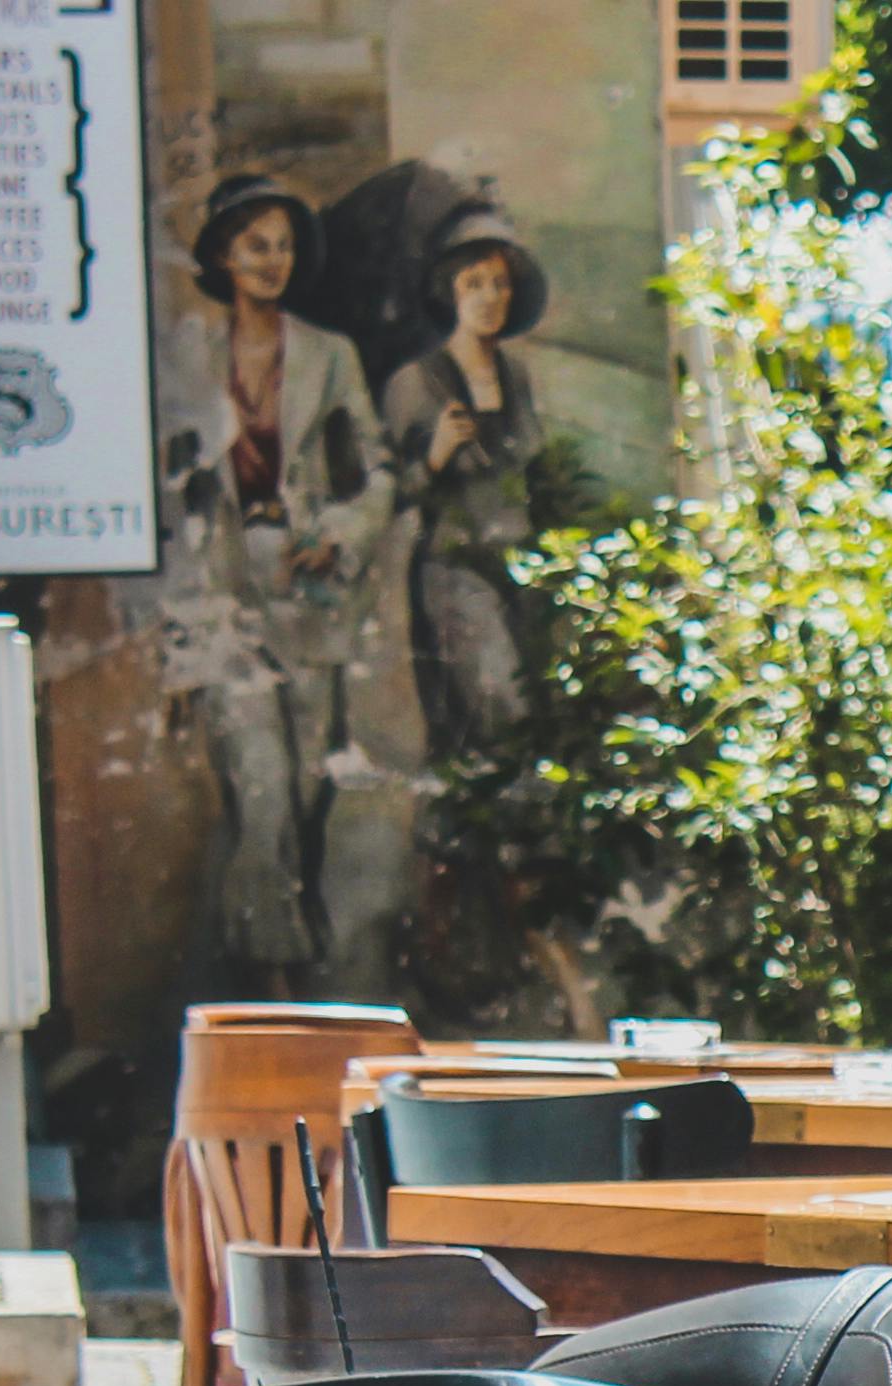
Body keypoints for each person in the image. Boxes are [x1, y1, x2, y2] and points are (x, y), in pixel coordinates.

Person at [157, 177, 424, 988]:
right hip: (222, 590)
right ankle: (270, 974)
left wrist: (340, 533)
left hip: (308, 590)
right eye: (254, 245)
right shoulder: (186, 352)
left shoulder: (327, 354)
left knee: (308, 787)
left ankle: (286, 961)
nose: (272, 261)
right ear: (221, 256)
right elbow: (160, 476)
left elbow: (376, 469)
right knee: (262, 787)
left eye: (282, 245)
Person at [378, 206, 554, 754]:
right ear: (448, 292)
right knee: (498, 710)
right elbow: (387, 491)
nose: (489, 296)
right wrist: (433, 456)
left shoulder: (516, 376)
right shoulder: (415, 382)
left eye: (500, 283)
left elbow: (534, 468)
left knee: (538, 712)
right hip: (455, 572)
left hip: (520, 568)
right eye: (473, 283)